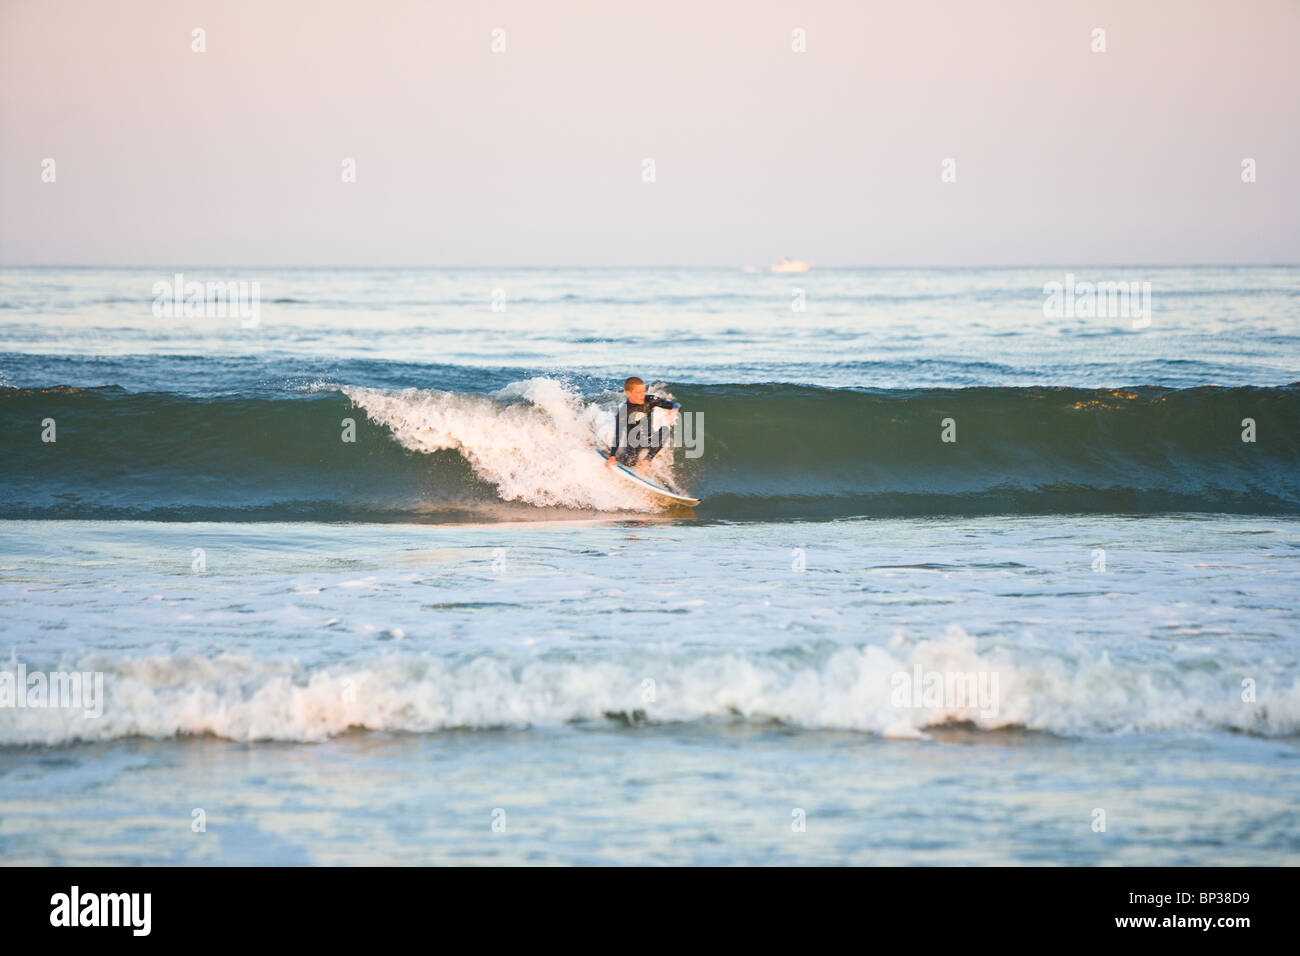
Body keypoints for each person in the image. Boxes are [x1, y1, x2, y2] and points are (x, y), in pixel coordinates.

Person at [605, 376, 680, 473]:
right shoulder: (624, 411)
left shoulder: (650, 400)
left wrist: (675, 410)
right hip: (633, 444)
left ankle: (646, 462)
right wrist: (612, 456)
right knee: (630, 463)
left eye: (643, 392)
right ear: (628, 393)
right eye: (638, 393)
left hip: (649, 438)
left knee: (665, 430)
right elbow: (617, 436)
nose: (642, 395)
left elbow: (675, 405)